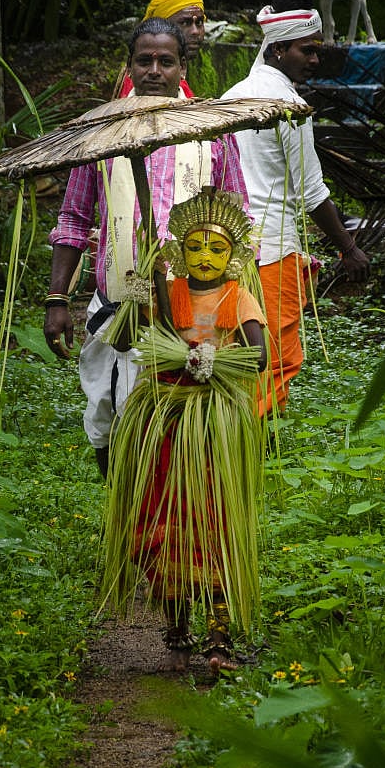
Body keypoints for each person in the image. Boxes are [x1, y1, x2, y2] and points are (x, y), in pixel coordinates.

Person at [44, 18, 249, 477]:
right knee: (107, 416)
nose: (154, 71)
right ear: (130, 66)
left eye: (166, 61)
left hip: (189, 310)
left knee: (181, 425)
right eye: (145, 60)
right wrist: (57, 299)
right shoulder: (99, 134)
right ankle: (122, 502)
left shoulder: (212, 132)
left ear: (182, 67)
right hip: (116, 307)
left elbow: (238, 219)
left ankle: (171, 511)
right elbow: (73, 220)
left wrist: (231, 304)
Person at [99, 186, 267, 675]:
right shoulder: (165, 294)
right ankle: (176, 628)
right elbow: (125, 342)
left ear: (234, 256)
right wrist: (134, 299)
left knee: (214, 523)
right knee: (165, 520)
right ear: (179, 252)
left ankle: (219, 637)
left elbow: (258, 358)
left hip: (213, 427)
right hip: (164, 423)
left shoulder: (239, 297)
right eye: (195, 247)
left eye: (217, 249)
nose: (206, 257)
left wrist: (212, 361)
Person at [221, 0, 370, 415]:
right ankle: (260, 440)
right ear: (278, 50)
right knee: (276, 358)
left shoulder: (232, 95)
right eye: (307, 50)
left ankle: (235, 433)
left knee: (238, 351)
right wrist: (348, 248)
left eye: (317, 50)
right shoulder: (289, 105)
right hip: (273, 250)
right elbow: (311, 192)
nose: (315, 60)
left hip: (228, 250)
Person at [115, 0, 206, 98]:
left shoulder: (177, 84)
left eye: (199, 22)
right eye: (185, 23)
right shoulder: (142, 86)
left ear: (182, 67)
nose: (195, 32)